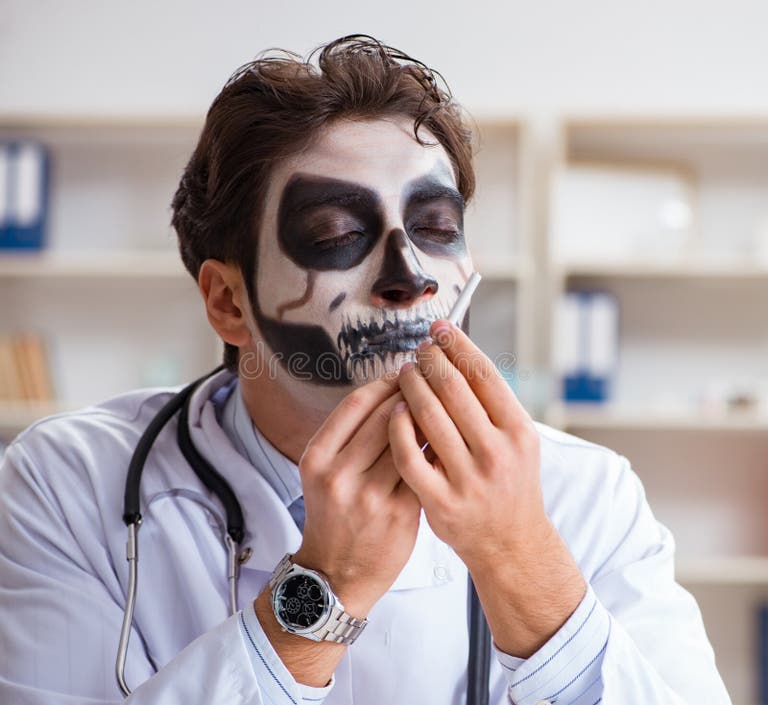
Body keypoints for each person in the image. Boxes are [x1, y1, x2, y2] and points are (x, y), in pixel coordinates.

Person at [0, 35, 730, 705]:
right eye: (336, 233)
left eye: (435, 227)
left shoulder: (587, 494)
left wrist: (519, 561)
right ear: (228, 300)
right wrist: (321, 592)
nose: (409, 276)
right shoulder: (69, 484)